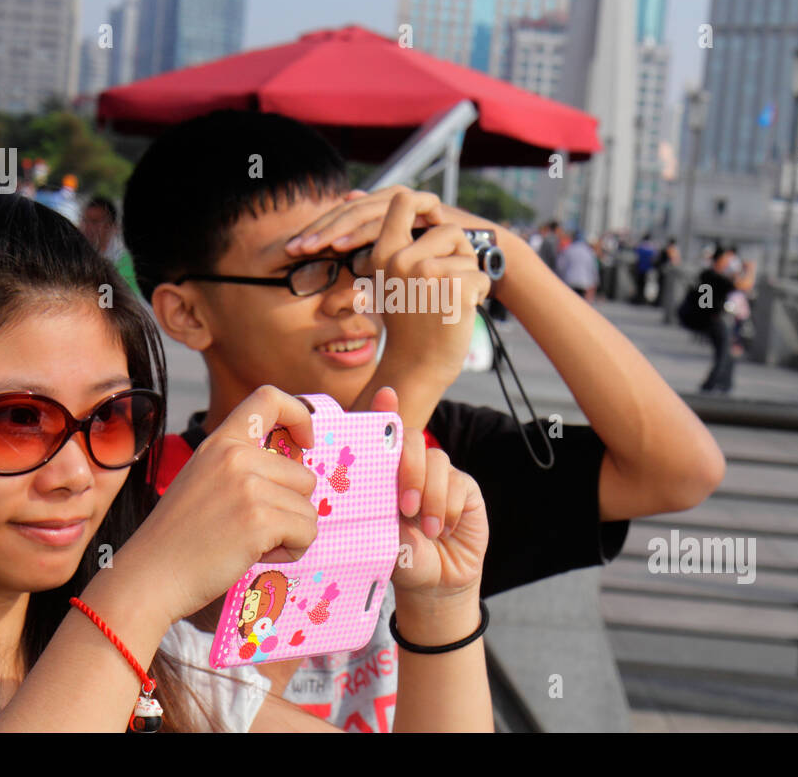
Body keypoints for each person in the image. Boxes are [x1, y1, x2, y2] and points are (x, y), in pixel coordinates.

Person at [0, 186, 493, 732]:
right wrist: (141, 586)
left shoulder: (167, 667)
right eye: (18, 420)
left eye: (110, 419)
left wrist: (441, 612)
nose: (76, 472)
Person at [122, 110, 725, 731]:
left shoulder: (439, 454)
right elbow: (226, 690)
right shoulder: (137, 489)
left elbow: (680, 472)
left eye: (361, 259)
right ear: (187, 313)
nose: (354, 295)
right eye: (305, 270)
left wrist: (501, 251)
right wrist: (414, 370)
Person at [696, 246, 756, 394]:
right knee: (724, 354)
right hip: (718, 320)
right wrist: (750, 271)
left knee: (725, 353)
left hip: (712, 319)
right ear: (720, 259)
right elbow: (744, 286)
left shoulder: (708, 274)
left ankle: (724, 383)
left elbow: (705, 301)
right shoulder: (716, 277)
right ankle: (710, 385)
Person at [80, 196, 140, 296]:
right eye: (85, 221)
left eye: (95, 222)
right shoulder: (78, 255)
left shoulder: (126, 263)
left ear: (112, 226)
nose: (88, 227)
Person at [557, 229, 600, 300]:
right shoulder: (588, 252)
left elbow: (561, 266)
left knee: (569, 301)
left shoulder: (569, 249)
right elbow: (593, 268)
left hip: (570, 280)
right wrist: (594, 282)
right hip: (583, 283)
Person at [631, 233, 656, 303]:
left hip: (640, 268)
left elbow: (636, 253)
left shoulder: (641, 246)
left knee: (638, 285)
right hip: (647, 268)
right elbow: (654, 258)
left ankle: (638, 298)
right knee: (645, 285)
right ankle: (643, 299)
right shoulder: (651, 248)